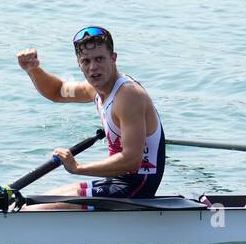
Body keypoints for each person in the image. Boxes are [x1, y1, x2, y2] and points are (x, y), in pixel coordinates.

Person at [15, 26, 164, 209]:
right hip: (115, 183)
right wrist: (33, 70)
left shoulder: (129, 95)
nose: (93, 68)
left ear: (113, 58)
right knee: (27, 203)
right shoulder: (94, 88)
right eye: (86, 61)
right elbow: (57, 91)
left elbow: (131, 161)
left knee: (33, 211)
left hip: (136, 189)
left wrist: (78, 168)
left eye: (99, 59)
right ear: (79, 64)